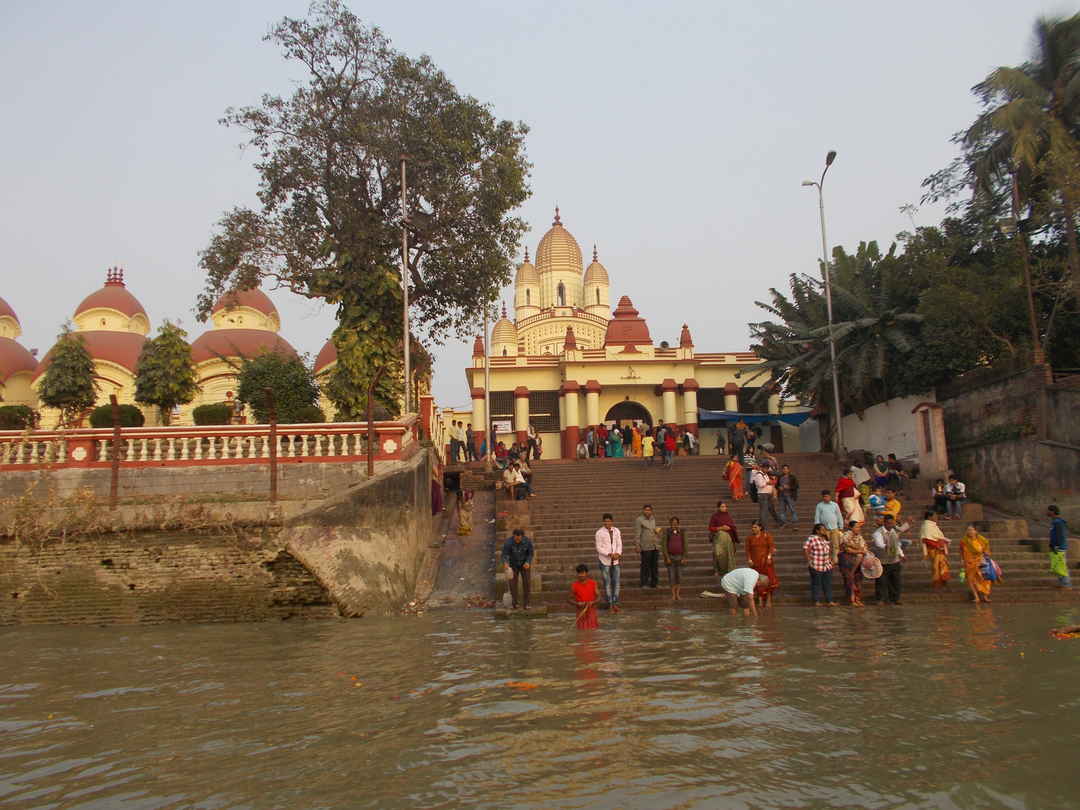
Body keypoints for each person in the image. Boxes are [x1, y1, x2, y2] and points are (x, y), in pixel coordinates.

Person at [871, 514, 908, 604]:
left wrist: (901, 554)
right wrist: (886, 546)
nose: (890, 525)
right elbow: (879, 544)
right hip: (882, 560)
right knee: (881, 581)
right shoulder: (878, 533)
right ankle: (880, 599)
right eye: (889, 523)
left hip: (894, 560)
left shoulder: (893, 531)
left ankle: (895, 599)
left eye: (892, 523)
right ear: (884, 523)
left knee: (896, 580)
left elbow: (897, 544)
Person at [746, 520, 778, 608]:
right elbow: (747, 550)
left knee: (769, 580)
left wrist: (769, 557)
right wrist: (749, 560)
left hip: (766, 562)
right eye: (752, 527)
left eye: (755, 527)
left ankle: (768, 599)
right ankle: (760, 599)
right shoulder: (749, 538)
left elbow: (771, 547)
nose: (753, 529)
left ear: (760, 527)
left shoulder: (767, 536)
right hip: (755, 563)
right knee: (757, 580)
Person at [595, 514, 623, 611]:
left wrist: (618, 553)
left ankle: (615, 601)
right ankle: (610, 602)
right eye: (606, 521)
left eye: (609, 521)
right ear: (603, 522)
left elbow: (619, 544)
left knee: (616, 581)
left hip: (616, 560)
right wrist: (609, 554)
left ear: (612, 521)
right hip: (604, 560)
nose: (607, 523)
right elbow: (598, 547)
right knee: (607, 582)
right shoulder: (599, 532)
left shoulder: (616, 531)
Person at [501, 529, 534, 610]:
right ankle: (515, 603)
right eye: (516, 538)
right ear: (514, 536)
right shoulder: (508, 542)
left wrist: (528, 562)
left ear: (522, 537)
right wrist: (506, 562)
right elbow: (505, 554)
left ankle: (527, 603)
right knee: (513, 584)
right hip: (513, 564)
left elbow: (530, 553)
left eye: (519, 538)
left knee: (527, 583)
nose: (518, 540)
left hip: (524, 564)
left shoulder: (527, 541)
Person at [960, 523, 994, 603]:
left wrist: (986, 553)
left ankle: (985, 596)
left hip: (980, 562)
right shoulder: (964, 541)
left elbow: (987, 551)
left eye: (971, 530)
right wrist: (962, 559)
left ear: (976, 531)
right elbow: (961, 551)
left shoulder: (982, 540)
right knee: (971, 580)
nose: (970, 532)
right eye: (968, 530)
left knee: (984, 579)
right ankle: (976, 597)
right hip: (969, 562)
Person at [804, 524, 836, 606]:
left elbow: (829, 550)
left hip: (827, 565)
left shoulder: (825, 539)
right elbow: (806, 549)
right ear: (817, 531)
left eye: (825, 529)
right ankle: (816, 601)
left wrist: (831, 560)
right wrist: (809, 561)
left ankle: (829, 601)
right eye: (822, 529)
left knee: (827, 584)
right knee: (816, 584)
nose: (824, 531)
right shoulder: (812, 538)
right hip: (816, 564)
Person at [838, 519, 868, 606]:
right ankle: (851, 599)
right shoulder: (845, 536)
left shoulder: (859, 537)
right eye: (856, 527)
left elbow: (864, 547)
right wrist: (859, 550)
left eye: (859, 527)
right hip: (847, 562)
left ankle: (857, 599)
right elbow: (847, 548)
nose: (858, 528)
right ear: (851, 528)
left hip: (858, 562)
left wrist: (860, 550)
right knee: (850, 580)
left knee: (858, 581)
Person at [920, 510, 951, 589]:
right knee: (936, 566)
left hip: (939, 547)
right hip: (933, 548)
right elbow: (926, 539)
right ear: (929, 517)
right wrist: (938, 545)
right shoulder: (926, 526)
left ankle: (943, 582)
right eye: (935, 515)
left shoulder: (932, 525)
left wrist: (944, 541)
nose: (936, 517)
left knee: (942, 565)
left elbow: (938, 536)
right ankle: (937, 583)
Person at [709, 501, 739, 578]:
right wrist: (721, 528)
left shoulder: (728, 516)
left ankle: (729, 570)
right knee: (718, 554)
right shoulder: (715, 516)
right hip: (719, 539)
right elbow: (711, 528)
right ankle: (718, 570)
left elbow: (733, 526)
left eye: (725, 506)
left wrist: (730, 528)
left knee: (728, 555)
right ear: (718, 507)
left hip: (728, 539)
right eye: (722, 506)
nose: (724, 508)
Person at [814, 490, 845, 564]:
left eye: (827, 496)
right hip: (824, 529)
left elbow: (839, 516)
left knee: (835, 545)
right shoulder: (819, 505)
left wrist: (841, 526)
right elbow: (817, 517)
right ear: (822, 497)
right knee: (826, 545)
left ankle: (835, 560)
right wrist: (817, 528)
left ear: (830, 496)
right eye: (824, 496)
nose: (826, 498)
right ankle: (827, 560)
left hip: (835, 528)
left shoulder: (835, 505)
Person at [634, 504, 661, 589]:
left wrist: (657, 533)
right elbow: (637, 533)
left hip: (655, 545)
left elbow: (654, 530)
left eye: (649, 510)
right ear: (643, 511)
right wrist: (637, 545)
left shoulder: (653, 519)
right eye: (646, 510)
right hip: (645, 546)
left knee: (654, 566)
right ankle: (644, 583)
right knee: (645, 566)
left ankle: (654, 583)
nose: (647, 511)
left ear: (651, 511)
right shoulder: (639, 520)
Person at [662, 516, 688, 601]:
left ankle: (678, 594)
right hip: (670, 557)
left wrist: (684, 557)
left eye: (676, 523)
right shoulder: (667, 532)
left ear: (678, 524)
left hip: (680, 557)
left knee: (679, 577)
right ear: (670, 524)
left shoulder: (682, 532)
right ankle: (673, 595)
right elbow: (664, 545)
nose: (674, 525)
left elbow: (685, 545)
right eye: (673, 523)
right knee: (671, 576)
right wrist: (667, 557)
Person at [569, 564, 600, 629]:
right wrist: (578, 603)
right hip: (581, 612)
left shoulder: (593, 583)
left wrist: (593, 602)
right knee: (581, 630)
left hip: (591, 611)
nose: (581, 575)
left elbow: (599, 597)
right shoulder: (574, 585)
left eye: (582, 573)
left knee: (593, 630)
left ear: (586, 573)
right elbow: (569, 599)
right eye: (579, 573)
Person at [1048, 505, 1071, 588]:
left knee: (1061, 566)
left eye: (1048, 510)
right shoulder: (1055, 522)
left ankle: (1066, 584)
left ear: (1053, 512)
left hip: (1059, 548)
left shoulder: (1058, 522)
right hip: (1057, 547)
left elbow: (1061, 536)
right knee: (1058, 566)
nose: (1047, 512)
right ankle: (1063, 584)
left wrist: (1056, 546)